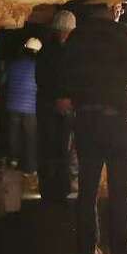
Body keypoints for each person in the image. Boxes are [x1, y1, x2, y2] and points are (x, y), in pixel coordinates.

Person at [59, 0, 127, 254]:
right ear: (114, 7)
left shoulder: (76, 37)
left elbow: (65, 76)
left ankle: (86, 251)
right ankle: (121, 251)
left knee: (86, 191)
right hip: (116, 122)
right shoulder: (121, 32)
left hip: (87, 121)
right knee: (120, 190)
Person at [35, 10, 76, 204]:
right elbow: (47, 78)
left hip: (52, 105)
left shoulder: (46, 51)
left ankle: (55, 189)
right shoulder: (57, 52)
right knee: (56, 148)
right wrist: (61, 98)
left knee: (57, 148)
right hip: (53, 106)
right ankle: (55, 190)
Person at [1, 36, 41, 174]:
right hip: (31, 108)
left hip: (12, 105)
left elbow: (2, 80)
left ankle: (13, 162)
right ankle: (30, 168)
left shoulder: (14, 64)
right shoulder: (39, 67)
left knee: (14, 135)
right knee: (30, 137)